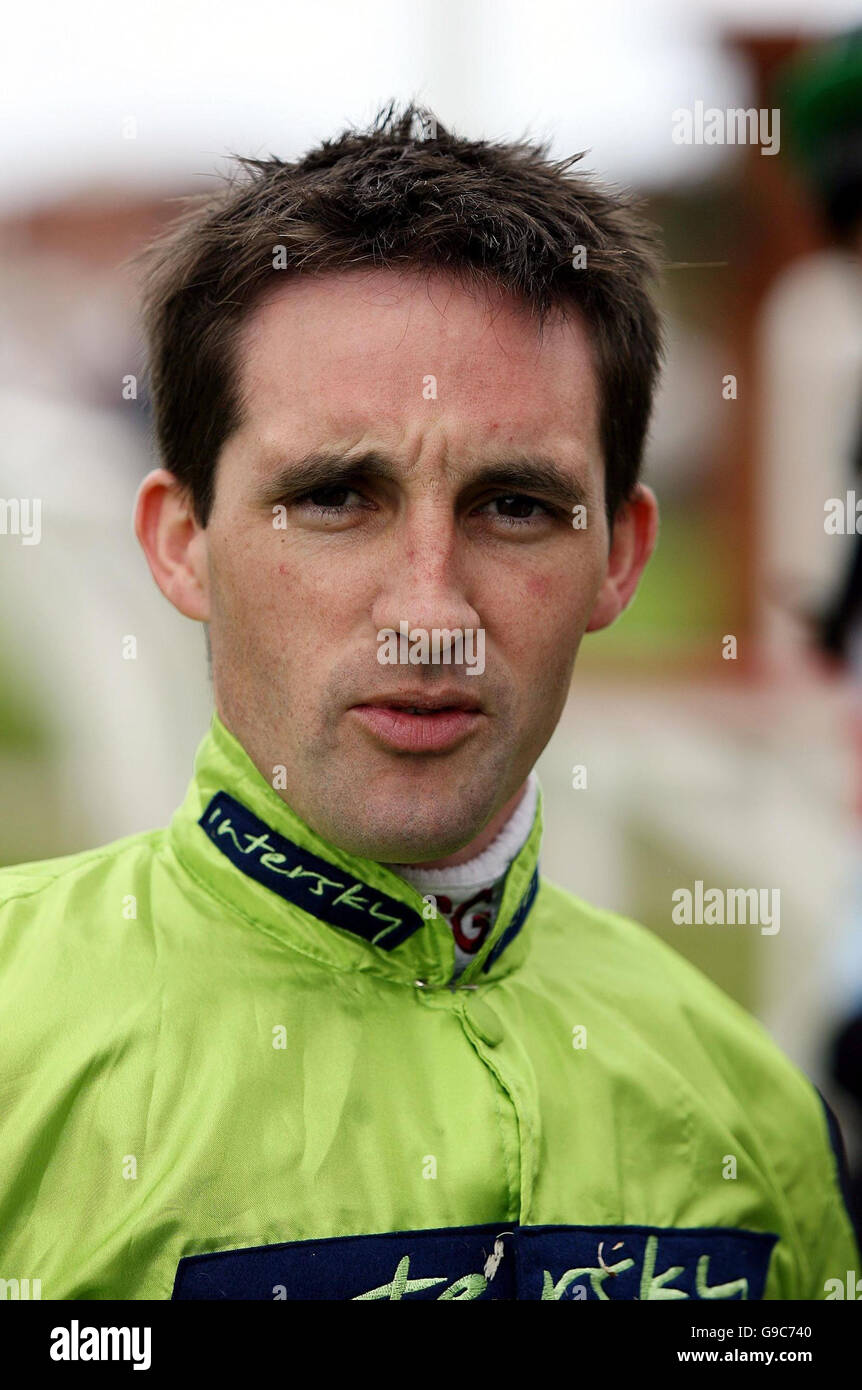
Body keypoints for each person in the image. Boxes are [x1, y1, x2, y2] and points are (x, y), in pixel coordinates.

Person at [0, 103, 857, 1302]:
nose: (428, 612)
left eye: (513, 505)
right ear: (182, 540)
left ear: (620, 554)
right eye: (338, 496)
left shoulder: (750, 1109)